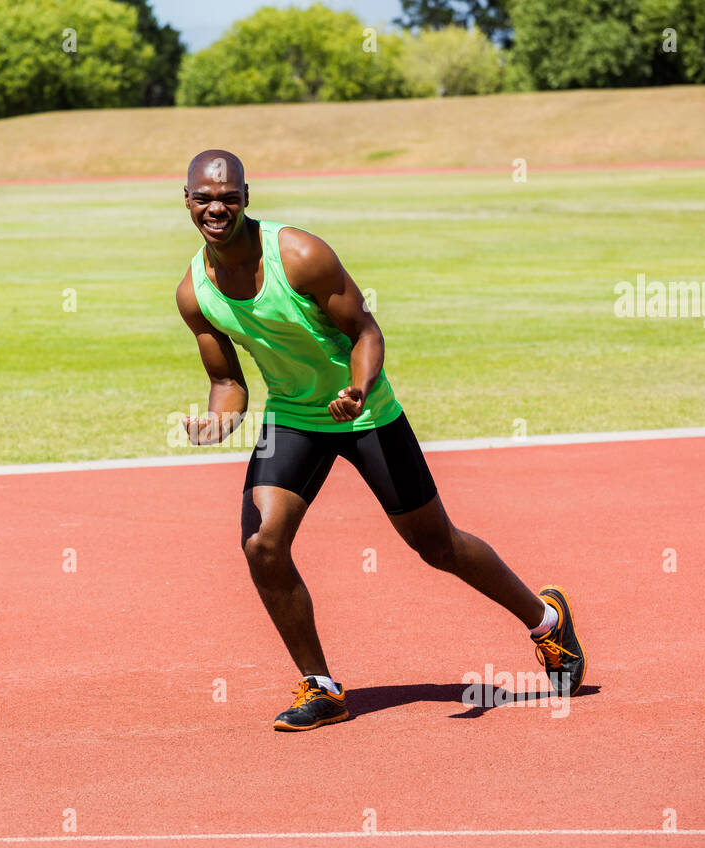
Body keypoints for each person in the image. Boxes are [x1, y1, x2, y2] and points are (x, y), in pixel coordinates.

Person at [175, 149, 585, 731]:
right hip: (293, 416)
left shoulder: (300, 256)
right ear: (185, 200)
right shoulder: (195, 293)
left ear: (246, 195)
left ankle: (547, 620)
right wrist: (220, 420)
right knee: (262, 545)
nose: (216, 207)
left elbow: (366, 330)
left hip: (365, 413)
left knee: (437, 546)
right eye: (204, 197)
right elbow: (226, 383)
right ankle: (321, 687)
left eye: (228, 195)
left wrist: (359, 391)